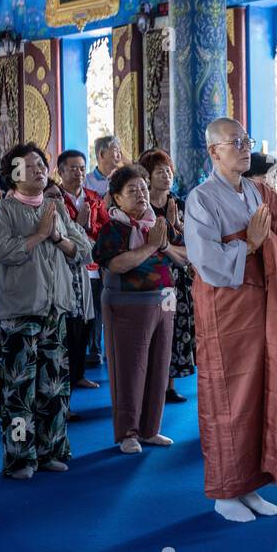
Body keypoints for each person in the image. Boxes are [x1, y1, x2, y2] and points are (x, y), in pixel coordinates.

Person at [184, 118, 277, 523]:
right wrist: (252, 244)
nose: (245, 147)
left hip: (265, 308)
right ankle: (226, 491)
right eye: (235, 142)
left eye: (247, 141)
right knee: (229, 397)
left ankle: (253, 484)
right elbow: (206, 262)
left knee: (263, 391)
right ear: (214, 151)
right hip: (226, 310)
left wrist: (268, 244)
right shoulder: (201, 199)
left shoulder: (259, 192)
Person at [0, 142, 90, 479]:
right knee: (18, 391)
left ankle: (50, 449)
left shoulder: (55, 207)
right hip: (17, 312)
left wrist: (57, 237)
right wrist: (40, 234)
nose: (39, 170)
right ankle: (19, 457)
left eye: (42, 165)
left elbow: (84, 249)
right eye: (30, 166)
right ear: (14, 173)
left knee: (54, 387)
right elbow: (2, 251)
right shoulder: (3, 210)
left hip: (53, 309)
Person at [94, 164, 187, 452]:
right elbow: (116, 264)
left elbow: (185, 256)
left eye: (144, 189)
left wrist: (163, 246)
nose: (141, 194)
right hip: (126, 304)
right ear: (117, 198)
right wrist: (149, 248)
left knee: (159, 367)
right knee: (129, 370)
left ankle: (150, 429)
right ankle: (127, 433)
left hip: (165, 300)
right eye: (132, 191)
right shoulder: (112, 228)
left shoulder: (157, 222)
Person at [138, 148, 194, 403]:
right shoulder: (141, 207)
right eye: (159, 171)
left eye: (168, 170)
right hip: (150, 278)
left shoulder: (179, 204)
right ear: (147, 176)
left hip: (178, 279)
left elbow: (190, 244)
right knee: (151, 330)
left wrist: (174, 232)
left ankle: (168, 384)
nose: (166, 175)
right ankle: (147, 383)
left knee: (173, 329)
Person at [50, 149, 107, 393]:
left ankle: (80, 372)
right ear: (60, 171)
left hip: (92, 269)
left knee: (87, 321)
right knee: (69, 327)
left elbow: (105, 228)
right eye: (72, 168)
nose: (78, 172)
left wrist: (90, 227)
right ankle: (66, 379)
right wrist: (82, 226)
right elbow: (64, 232)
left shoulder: (93, 197)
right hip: (66, 268)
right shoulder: (54, 198)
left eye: (82, 168)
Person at [84, 135, 127, 363]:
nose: (119, 154)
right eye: (114, 150)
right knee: (95, 299)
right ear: (101, 155)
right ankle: (93, 348)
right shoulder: (88, 181)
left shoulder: (122, 180)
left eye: (119, 150)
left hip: (118, 246)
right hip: (93, 247)